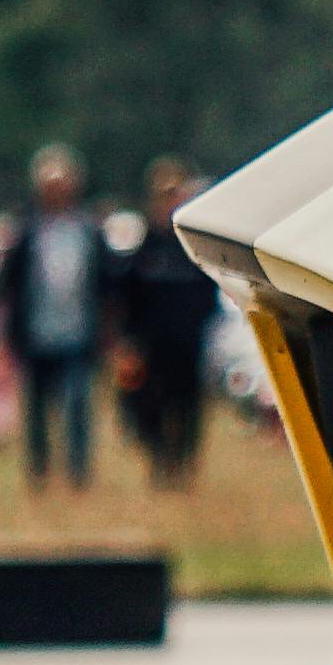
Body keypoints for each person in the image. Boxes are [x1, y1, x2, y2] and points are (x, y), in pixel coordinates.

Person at [0, 147, 107, 490]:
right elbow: (8, 281)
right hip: (35, 335)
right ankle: (39, 470)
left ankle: (78, 471)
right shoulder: (27, 231)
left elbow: (105, 281)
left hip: (78, 333)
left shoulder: (88, 231)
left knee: (77, 404)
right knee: (36, 412)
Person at [110, 160, 221, 489]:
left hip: (189, 339)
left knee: (188, 405)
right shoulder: (144, 243)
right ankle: (160, 458)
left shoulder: (193, 244)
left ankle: (183, 462)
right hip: (152, 342)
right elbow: (128, 292)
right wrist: (129, 336)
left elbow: (209, 290)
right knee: (148, 405)